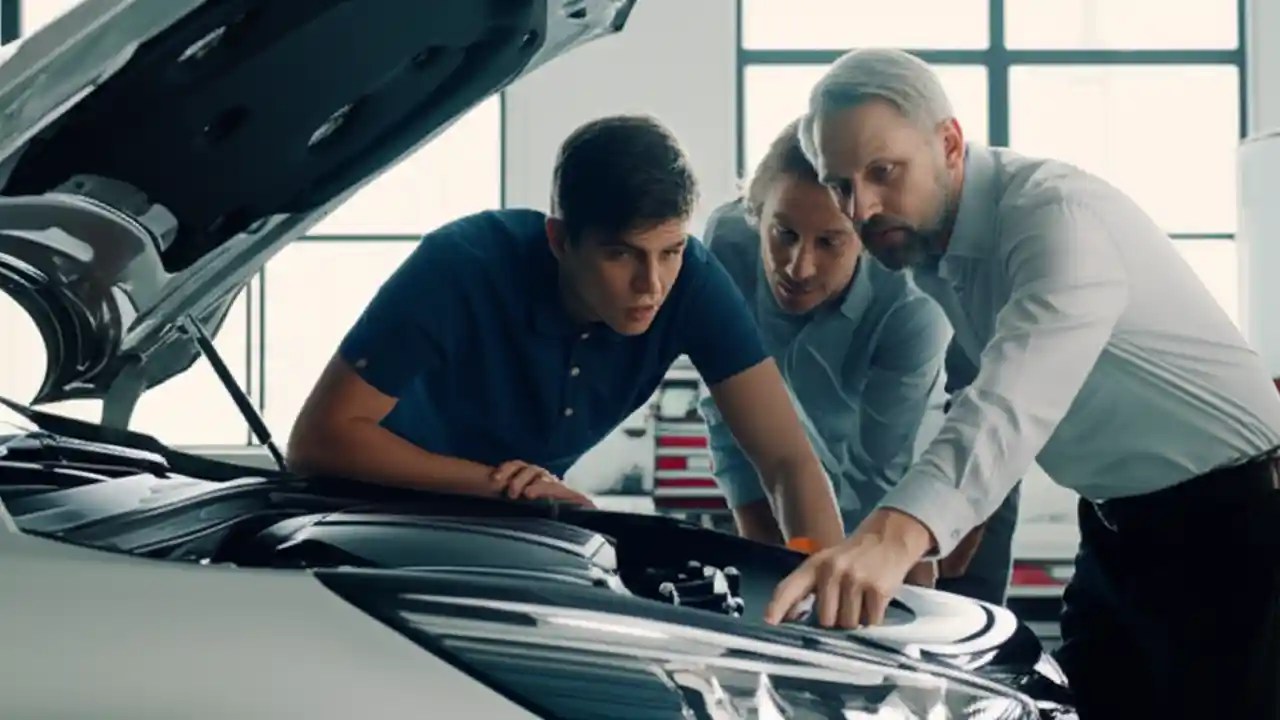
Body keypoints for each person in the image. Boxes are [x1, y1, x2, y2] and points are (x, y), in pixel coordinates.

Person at [763, 48, 1280, 719]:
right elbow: (978, 383)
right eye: (842, 185)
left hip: (1242, 529)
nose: (861, 206)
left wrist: (890, 539)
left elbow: (1012, 398)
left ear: (948, 142)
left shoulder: (1054, 217)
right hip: (1117, 533)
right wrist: (957, 519)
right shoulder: (931, 251)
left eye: (883, 171)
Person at [287, 113, 846, 549]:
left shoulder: (692, 281)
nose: (651, 284)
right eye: (621, 254)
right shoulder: (460, 264)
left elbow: (785, 462)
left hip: (517, 522)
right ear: (559, 240)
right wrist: (502, 486)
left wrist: (813, 578)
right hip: (367, 516)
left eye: (669, 251)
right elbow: (318, 439)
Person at [697, 117, 1019, 604]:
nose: (797, 267)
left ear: (867, 237)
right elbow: (730, 421)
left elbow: (879, 474)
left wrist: (866, 578)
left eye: (829, 242)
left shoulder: (913, 296)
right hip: (820, 449)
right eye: (783, 234)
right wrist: (787, 561)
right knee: (786, 584)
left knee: (935, 621)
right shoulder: (726, 243)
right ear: (756, 213)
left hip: (950, 450)